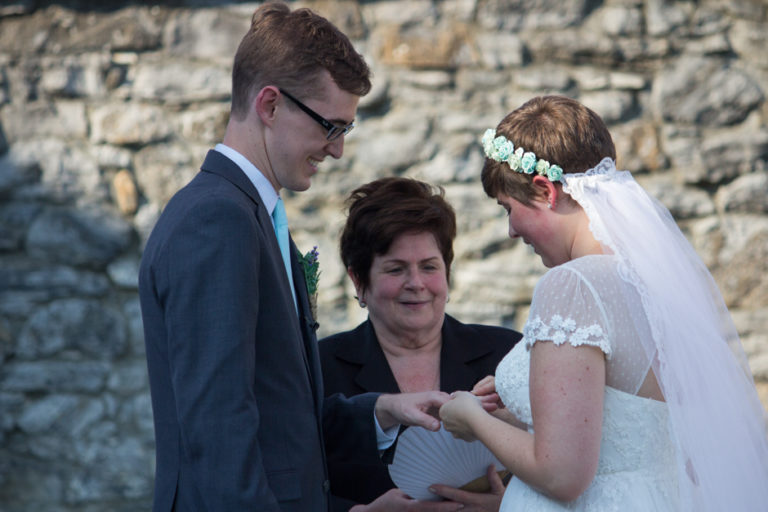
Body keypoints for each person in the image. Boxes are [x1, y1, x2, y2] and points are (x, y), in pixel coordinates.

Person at [138, 4, 449, 511]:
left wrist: (383, 410)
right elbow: (220, 433)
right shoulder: (216, 220)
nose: (337, 150)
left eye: (344, 130)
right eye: (331, 126)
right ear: (270, 105)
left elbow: (280, 418)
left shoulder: (252, 215)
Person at [439, 95, 768, 511]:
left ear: (545, 190)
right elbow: (628, 431)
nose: (511, 231)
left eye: (509, 208)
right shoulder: (653, 283)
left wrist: (473, 419)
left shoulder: (573, 285)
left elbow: (562, 475)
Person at [319, 177, 523, 511]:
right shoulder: (319, 368)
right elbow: (290, 489)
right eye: (396, 269)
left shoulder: (509, 355)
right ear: (358, 281)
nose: (416, 283)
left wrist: (513, 505)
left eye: (429, 267)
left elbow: (561, 466)